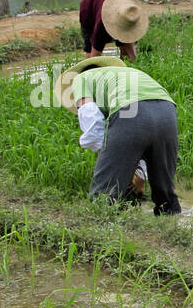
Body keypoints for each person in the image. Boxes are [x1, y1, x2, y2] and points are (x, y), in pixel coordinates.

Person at [60, 56, 181, 215]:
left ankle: (103, 230)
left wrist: (113, 160)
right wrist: (137, 174)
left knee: (103, 198)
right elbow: (143, 141)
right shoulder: (127, 74)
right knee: (165, 196)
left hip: (129, 111)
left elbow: (92, 123)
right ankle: (171, 226)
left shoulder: (80, 79)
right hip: (167, 111)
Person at [78, 0, 148, 60]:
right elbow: (94, 56)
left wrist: (132, 61)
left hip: (119, 0)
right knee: (89, 52)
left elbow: (132, 55)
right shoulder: (101, 26)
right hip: (89, 7)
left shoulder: (131, 16)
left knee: (125, 51)